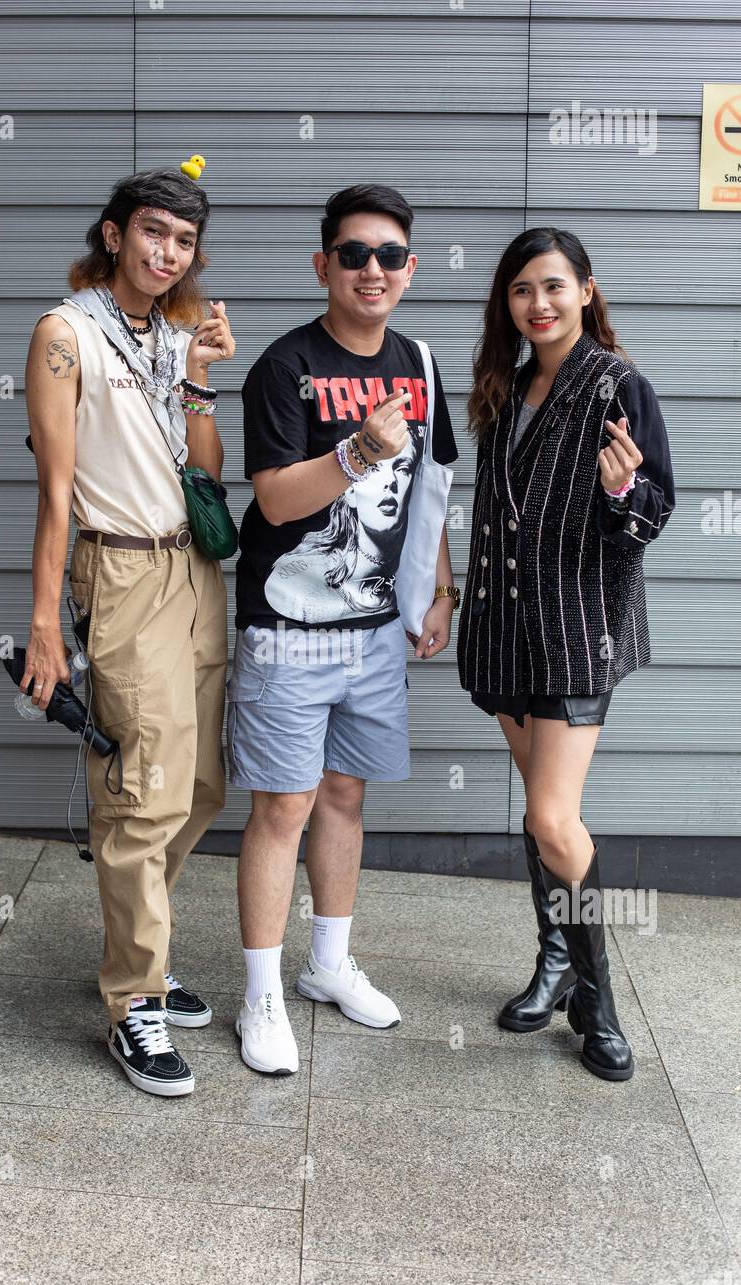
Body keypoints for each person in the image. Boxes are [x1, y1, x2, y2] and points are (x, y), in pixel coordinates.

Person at [229, 184, 459, 1075]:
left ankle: (326, 966)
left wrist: (436, 591)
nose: (374, 269)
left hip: (370, 632)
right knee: (282, 805)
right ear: (323, 264)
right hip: (288, 626)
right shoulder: (286, 366)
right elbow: (278, 499)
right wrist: (359, 450)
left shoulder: (420, 363)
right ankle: (262, 997)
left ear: (408, 269)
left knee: (345, 798)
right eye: (354, 253)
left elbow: (431, 493)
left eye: (391, 255)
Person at [22, 167, 235, 1096]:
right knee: (142, 788)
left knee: (198, 783)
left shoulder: (176, 335)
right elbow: (55, 490)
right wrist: (43, 625)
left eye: (182, 242)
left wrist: (197, 383)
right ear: (114, 234)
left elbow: (209, 468)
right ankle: (134, 999)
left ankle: (136, 945)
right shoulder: (65, 333)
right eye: (151, 233)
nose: (166, 253)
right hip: (117, 569)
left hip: (193, 568)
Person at [457, 226, 674, 1083]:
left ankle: (595, 997)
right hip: (505, 633)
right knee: (544, 811)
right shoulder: (505, 386)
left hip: (579, 632)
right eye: (521, 291)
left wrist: (623, 490)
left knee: (554, 817)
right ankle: (552, 960)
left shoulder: (618, 386)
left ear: (586, 289)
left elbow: (650, 515)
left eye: (553, 287)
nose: (537, 304)